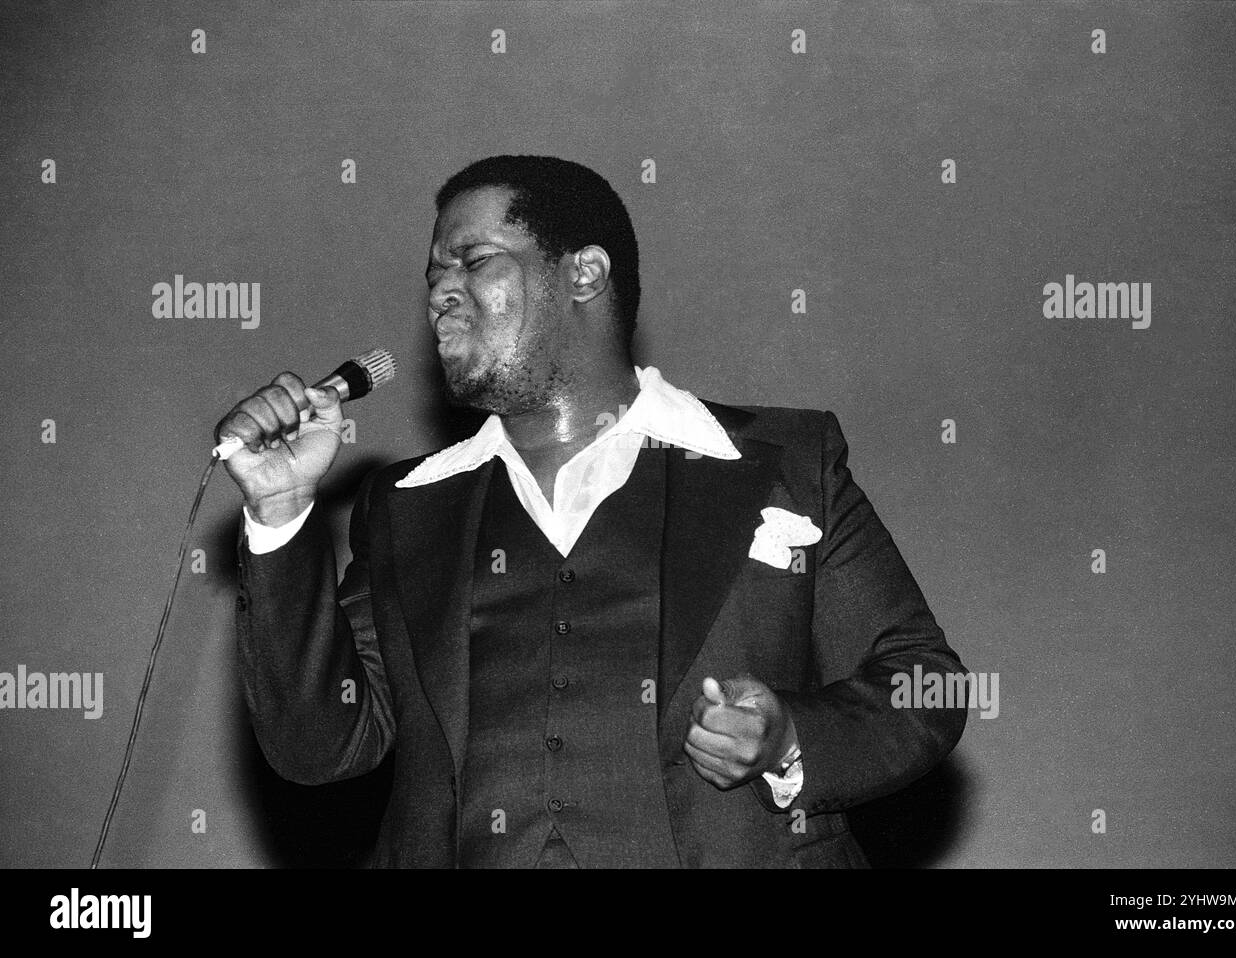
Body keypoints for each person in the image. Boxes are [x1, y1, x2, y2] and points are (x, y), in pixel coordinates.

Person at [216, 154, 966, 868]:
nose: (441, 292)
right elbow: (319, 747)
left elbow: (926, 686)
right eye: (435, 275)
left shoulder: (786, 463)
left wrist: (790, 738)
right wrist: (280, 510)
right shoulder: (405, 508)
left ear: (584, 274)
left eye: (474, 261)